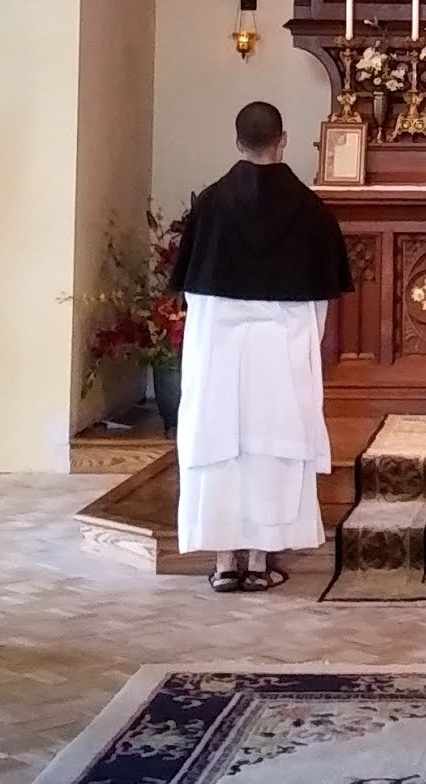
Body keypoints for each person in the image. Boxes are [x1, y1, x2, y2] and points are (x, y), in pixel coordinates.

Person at [170, 101, 353, 593]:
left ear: (237, 142)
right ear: (283, 140)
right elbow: (320, 299)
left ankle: (225, 560)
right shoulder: (310, 208)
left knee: (219, 442)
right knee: (274, 445)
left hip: (220, 348)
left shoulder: (210, 202)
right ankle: (258, 558)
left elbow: (195, 293)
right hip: (281, 346)